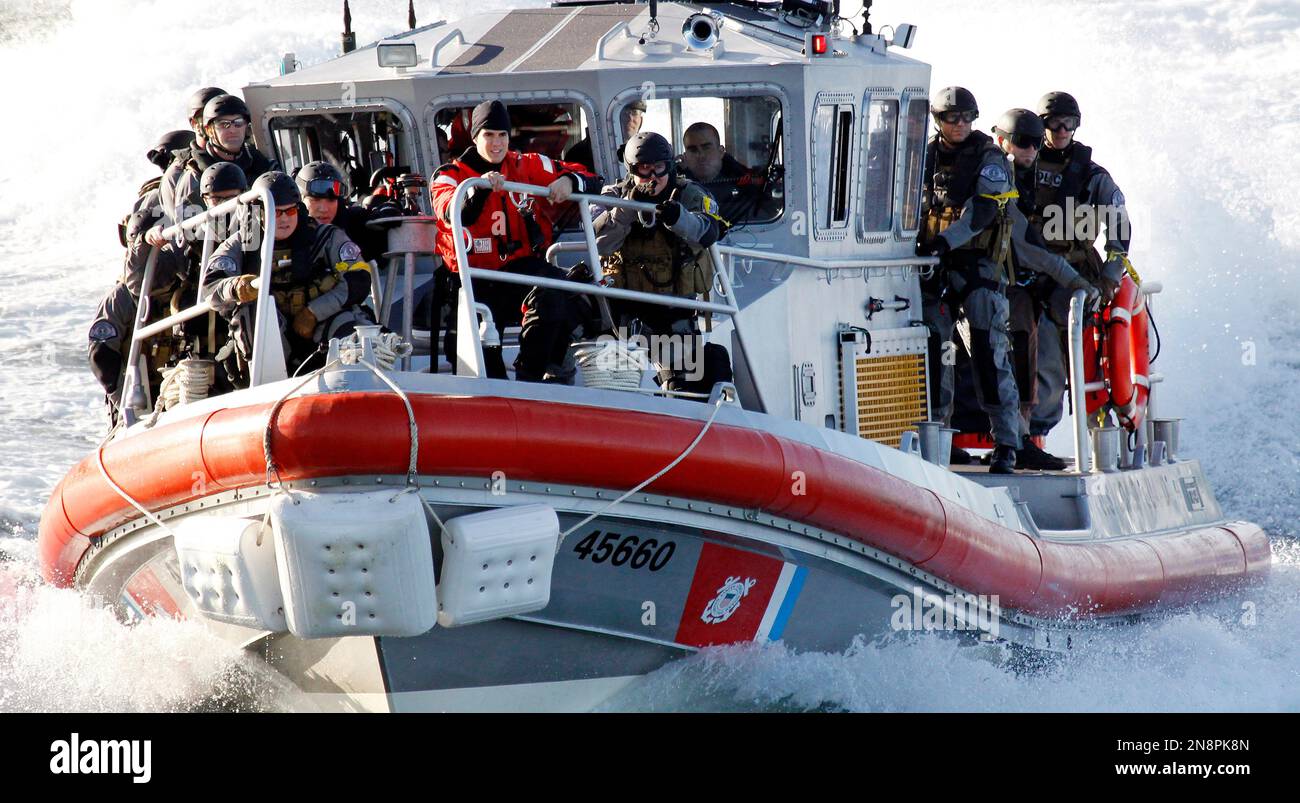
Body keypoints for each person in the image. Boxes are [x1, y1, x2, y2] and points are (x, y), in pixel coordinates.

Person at [429, 99, 598, 381]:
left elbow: (591, 177)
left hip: (517, 271)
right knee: (480, 367)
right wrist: (479, 188)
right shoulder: (449, 176)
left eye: (502, 135)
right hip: (472, 281)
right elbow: (454, 211)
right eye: (489, 135)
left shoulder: (524, 164)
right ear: (475, 137)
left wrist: (569, 181)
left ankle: (532, 374)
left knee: (559, 290)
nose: (497, 143)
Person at [89, 163, 249, 421]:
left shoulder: (190, 274)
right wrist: (126, 406)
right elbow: (101, 354)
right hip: (147, 392)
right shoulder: (123, 298)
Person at [915, 87, 1022, 474]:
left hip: (976, 268)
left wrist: (943, 243)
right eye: (951, 118)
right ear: (938, 120)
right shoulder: (921, 155)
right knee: (935, 354)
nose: (960, 125)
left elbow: (981, 214)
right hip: (934, 268)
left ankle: (1008, 444)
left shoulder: (990, 159)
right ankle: (936, 441)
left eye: (966, 118)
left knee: (990, 356)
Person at [990, 108, 1099, 470]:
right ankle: (1003, 440)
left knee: (1025, 351)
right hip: (978, 280)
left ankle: (1020, 439)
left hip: (1018, 283)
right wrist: (1072, 278)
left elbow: (1118, 231)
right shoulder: (993, 175)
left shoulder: (1063, 175)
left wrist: (1105, 278)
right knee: (994, 356)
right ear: (1002, 140)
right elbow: (1025, 244)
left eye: (1036, 143)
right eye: (1023, 142)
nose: (1032, 149)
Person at [1027, 91, 1133, 441]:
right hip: (1028, 274)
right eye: (1054, 123)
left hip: (1078, 277)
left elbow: (1119, 231)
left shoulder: (1093, 177)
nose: (1061, 130)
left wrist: (1111, 278)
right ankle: (1032, 433)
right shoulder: (1022, 166)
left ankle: (1098, 429)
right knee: (1036, 353)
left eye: (1068, 124)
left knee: (1084, 351)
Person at [593, 131, 732, 397]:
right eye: (644, 170)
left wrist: (679, 218)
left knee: (685, 387)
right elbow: (596, 241)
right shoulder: (613, 196)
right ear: (632, 170)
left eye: (658, 168)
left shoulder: (688, 194)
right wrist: (626, 210)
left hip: (673, 312)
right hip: (623, 312)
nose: (652, 178)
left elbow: (710, 231)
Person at [202, 171, 373, 378]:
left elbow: (359, 280)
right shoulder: (241, 245)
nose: (283, 219)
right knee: (250, 313)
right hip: (268, 342)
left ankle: (354, 376)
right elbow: (210, 288)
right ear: (259, 212)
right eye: (275, 212)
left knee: (350, 321)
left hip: (320, 334)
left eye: (290, 212)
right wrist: (235, 287)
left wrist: (313, 312)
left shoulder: (324, 237)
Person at [159, 94, 277, 233]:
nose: (232, 129)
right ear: (209, 130)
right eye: (223, 124)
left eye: (238, 122)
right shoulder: (195, 174)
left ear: (246, 126)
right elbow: (186, 231)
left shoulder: (262, 165)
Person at [296, 160, 391, 261]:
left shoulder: (354, 225)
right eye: (315, 200)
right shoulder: (287, 229)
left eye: (331, 200)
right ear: (300, 199)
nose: (324, 209)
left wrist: (389, 209)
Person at [677, 122, 770, 224]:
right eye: (693, 150)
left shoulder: (746, 184)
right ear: (685, 156)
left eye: (706, 147)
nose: (701, 155)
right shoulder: (676, 189)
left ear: (721, 151)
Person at [565, 99, 645, 173]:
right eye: (624, 112)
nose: (630, 118)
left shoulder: (645, 153)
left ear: (641, 121)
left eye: (634, 113)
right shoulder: (577, 154)